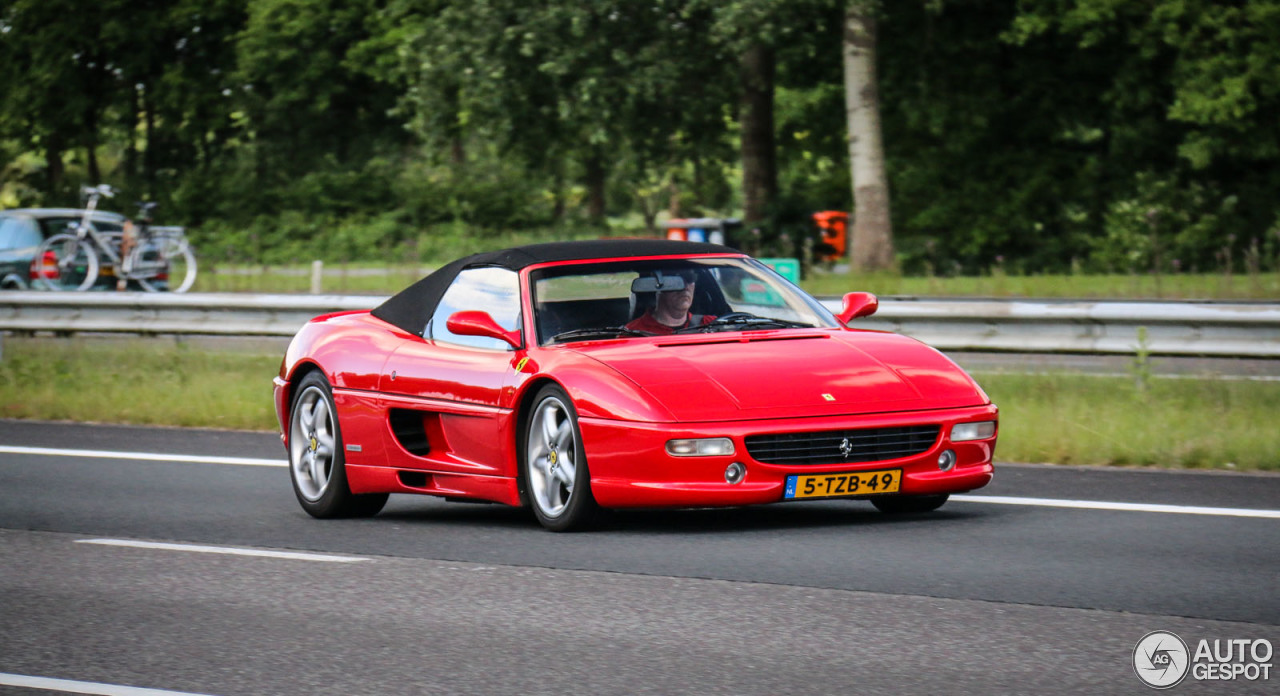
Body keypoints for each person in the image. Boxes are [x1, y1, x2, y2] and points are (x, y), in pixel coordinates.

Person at [625, 269, 716, 335]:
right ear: (658, 287)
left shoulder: (713, 325)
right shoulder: (632, 333)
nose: (685, 287)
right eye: (675, 281)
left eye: (689, 279)